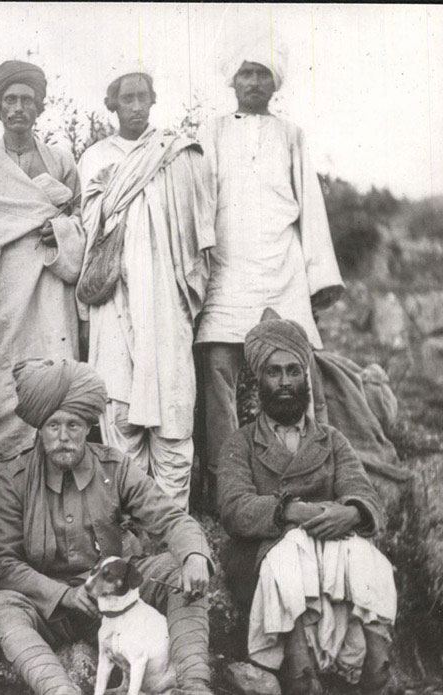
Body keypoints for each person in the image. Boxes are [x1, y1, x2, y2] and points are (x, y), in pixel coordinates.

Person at [0, 358, 214, 695]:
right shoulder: (15, 481)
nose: (63, 437)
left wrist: (194, 554)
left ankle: (192, 686)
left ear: (89, 427)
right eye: (53, 426)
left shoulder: (114, 467)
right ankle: (59, 690)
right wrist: (64, 595)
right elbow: (1, 562)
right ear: (40, 429)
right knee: (1, 603)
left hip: (118, 601)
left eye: (74, 426)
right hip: (53, 610)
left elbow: (170, 517)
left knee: (177, 571)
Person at [196, 34, 344, 505]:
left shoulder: (290, 134)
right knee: (218, 373)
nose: (254, 82)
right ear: (232, 80)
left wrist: (317, 278)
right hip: (226, 272)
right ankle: (227, 489)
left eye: (262, 74)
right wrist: (197, 268)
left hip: (281, 271)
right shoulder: (212, 131)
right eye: (246, 73)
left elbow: (311, 209)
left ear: (274, 82)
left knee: (302, 375)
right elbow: (199, 206)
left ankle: (320, 475)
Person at [218, 314, 395, 695]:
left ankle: (373, 671)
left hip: (333, 549)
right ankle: (299, 672)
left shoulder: (331, 440)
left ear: (305, 378)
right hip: (274, 549)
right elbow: (234, 507)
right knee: (287, 566)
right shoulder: (242, 443)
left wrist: (349, 512)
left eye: (293, 371)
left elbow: (365, 495)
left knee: (369, 564)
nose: (284, 382)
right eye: (274, 372)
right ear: (258, 381)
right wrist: (290, 512)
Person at [76, 65, 214, 509]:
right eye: (126, 98)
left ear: (153, 101)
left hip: (166, 303)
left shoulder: (176, 154)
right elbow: (89, 225)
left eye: (143, 97)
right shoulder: (95, 157)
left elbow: (200, 231)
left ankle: (174, 531)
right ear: (111, 104)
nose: (135, 106)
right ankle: (128, 530)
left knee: (173, 412)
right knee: (118, 412)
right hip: (114, 300)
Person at [0, 60, 86, 470]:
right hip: (3, 294)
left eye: (26, 100)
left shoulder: (61, 161)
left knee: (55, 382)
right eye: (9, 100)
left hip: (51, 290)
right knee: (4, 389)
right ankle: (11, 484)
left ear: (39, 107)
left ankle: (57, 484)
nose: (18, 108)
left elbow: (84, 223)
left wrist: (61, 233)